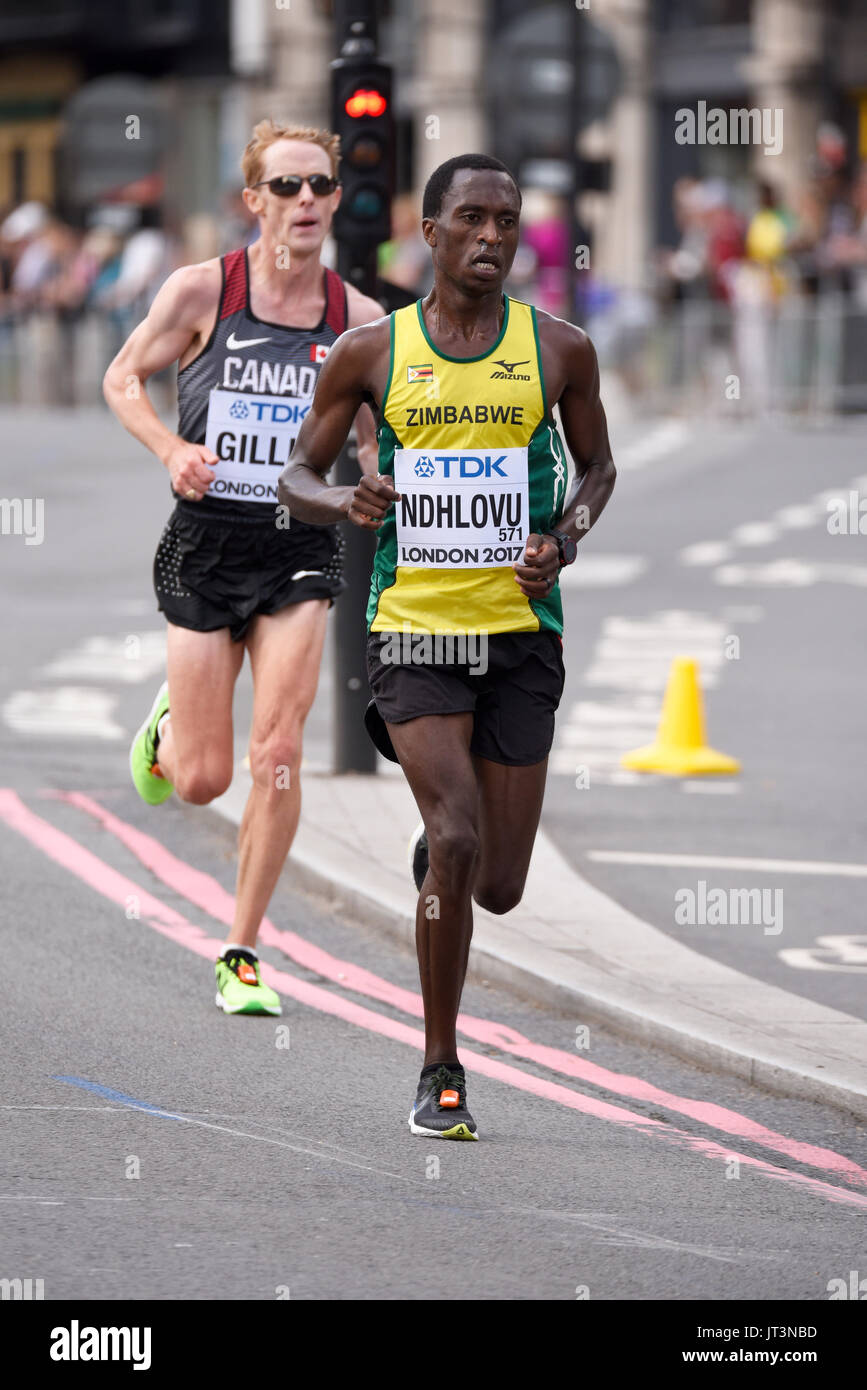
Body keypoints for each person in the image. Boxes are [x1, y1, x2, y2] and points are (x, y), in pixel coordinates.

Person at [278, 153, 615, 1139]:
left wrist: (567, 537)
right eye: (470, 219)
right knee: (462, 839)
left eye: (506, 222)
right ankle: (440, 1070)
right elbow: (298, 478)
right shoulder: (372, 352)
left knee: (497, 886)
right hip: (414, 630)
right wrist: (349, 498)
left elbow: (597, 468)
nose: (492, 239)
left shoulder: (560, 350)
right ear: (427, 233)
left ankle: (446, 858)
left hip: (521, 634)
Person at [104, 120, 382, 1015]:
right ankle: (167, 730)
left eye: (320, 187)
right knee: (200, 780)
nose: (306, 202)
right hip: (206, 542)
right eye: (287, 187)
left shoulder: (360, 321)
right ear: (253, 200)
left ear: (337, 199)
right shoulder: (201, 291)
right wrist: (166, 447)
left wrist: (376, 484)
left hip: (299, 547)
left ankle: (241, 951)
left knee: (280, 751)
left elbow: (379, 438)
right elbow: (120, 379)